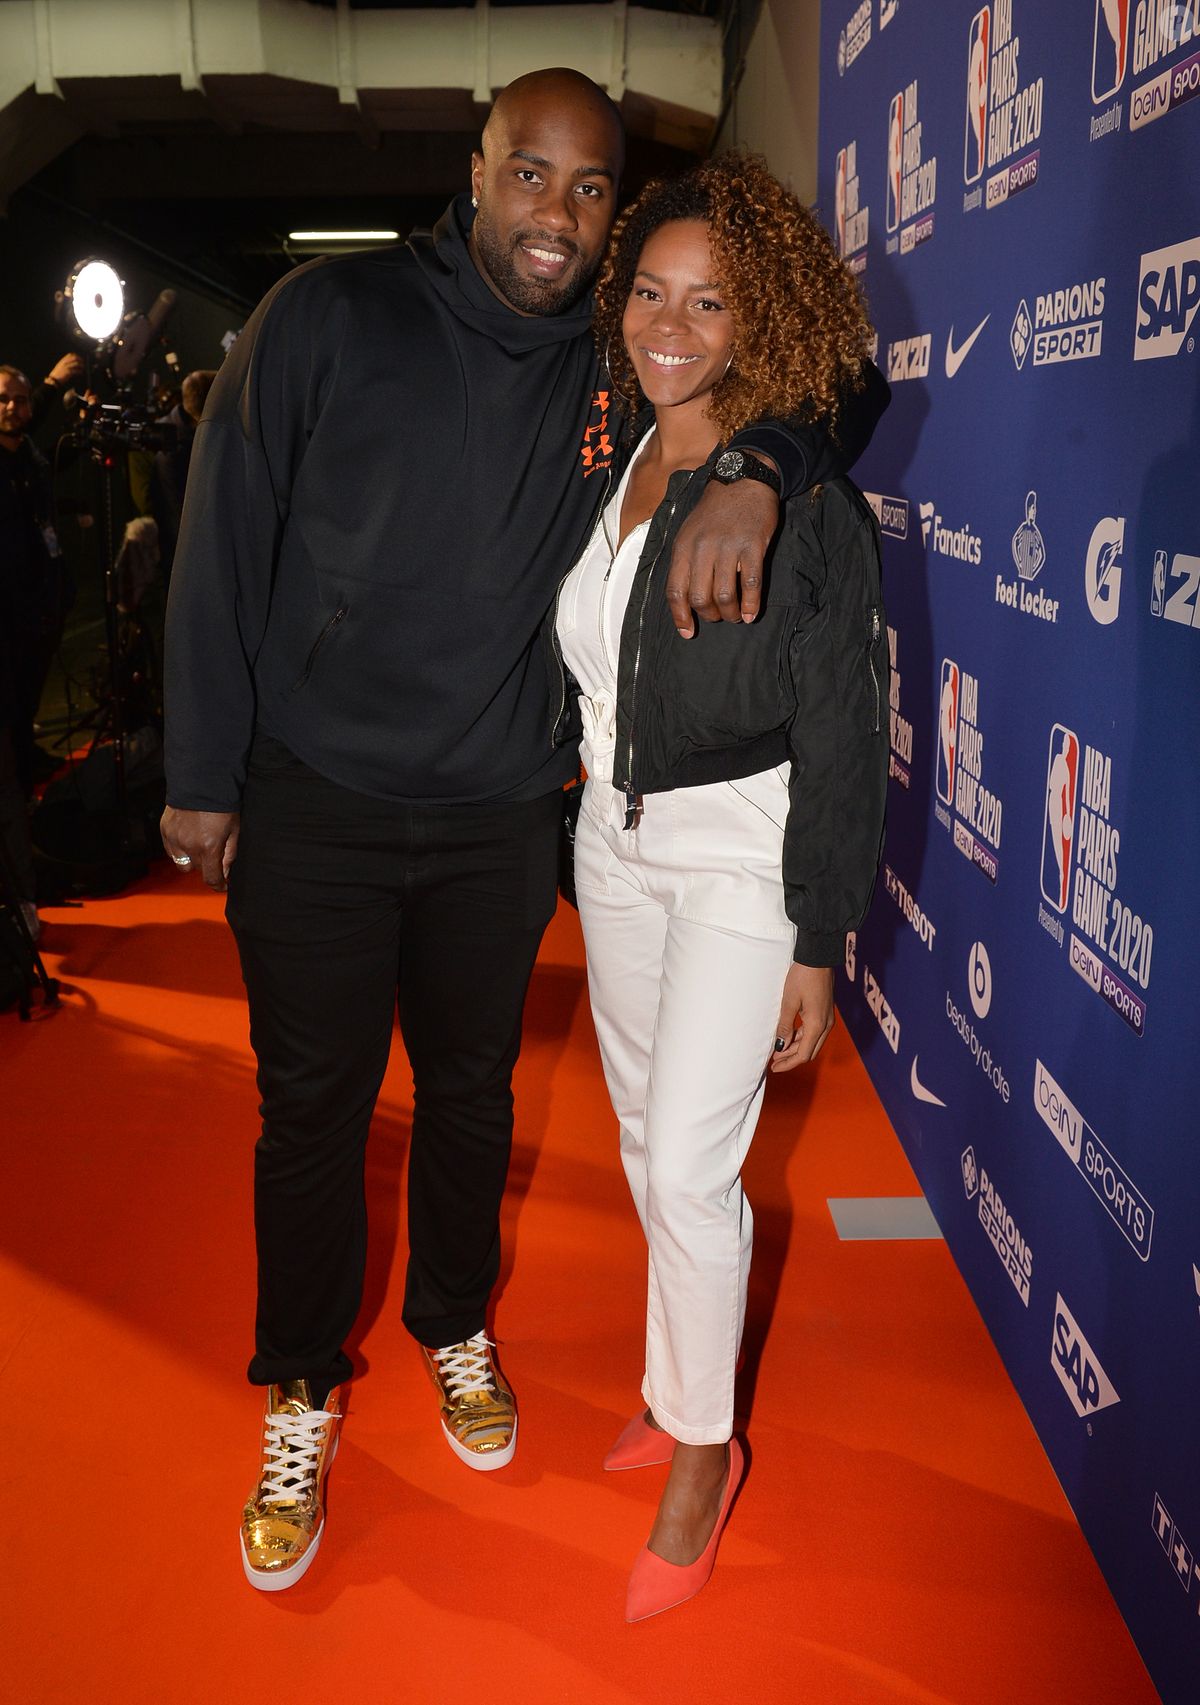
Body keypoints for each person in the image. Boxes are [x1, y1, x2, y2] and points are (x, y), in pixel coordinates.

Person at [161, 69, 887, 1593]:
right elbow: (223, 537)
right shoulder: (324, 317)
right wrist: (205, 771)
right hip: (317, 802)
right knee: (310, 1117)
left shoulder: (611, 369)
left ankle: (452, 1325)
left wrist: (759, 464)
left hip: (501, 817)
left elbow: (828, 379)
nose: (555, 215)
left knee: (478, 1099)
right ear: (475, 171)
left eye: (586, 190)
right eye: (530, 175)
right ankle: (300, 1385)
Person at [552, 153, 888, 1619]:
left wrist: (822, 933)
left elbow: (845, 728)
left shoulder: (799, 492)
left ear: (763, 319)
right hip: (611, 847)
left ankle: (704, 1444)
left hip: (743, 851)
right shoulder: (615, 444)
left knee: (691, 1163)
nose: (669, 322)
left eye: (711, 300)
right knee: (642, 1140)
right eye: (649, 290)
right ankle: (674, 1379)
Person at [0, 365, 68, 796]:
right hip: (7, 608)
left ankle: (27, 756)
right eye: (4, 398)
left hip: (39, 600)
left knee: (29, 693)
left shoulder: (30, 455)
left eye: (19, 400)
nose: (11, 407)